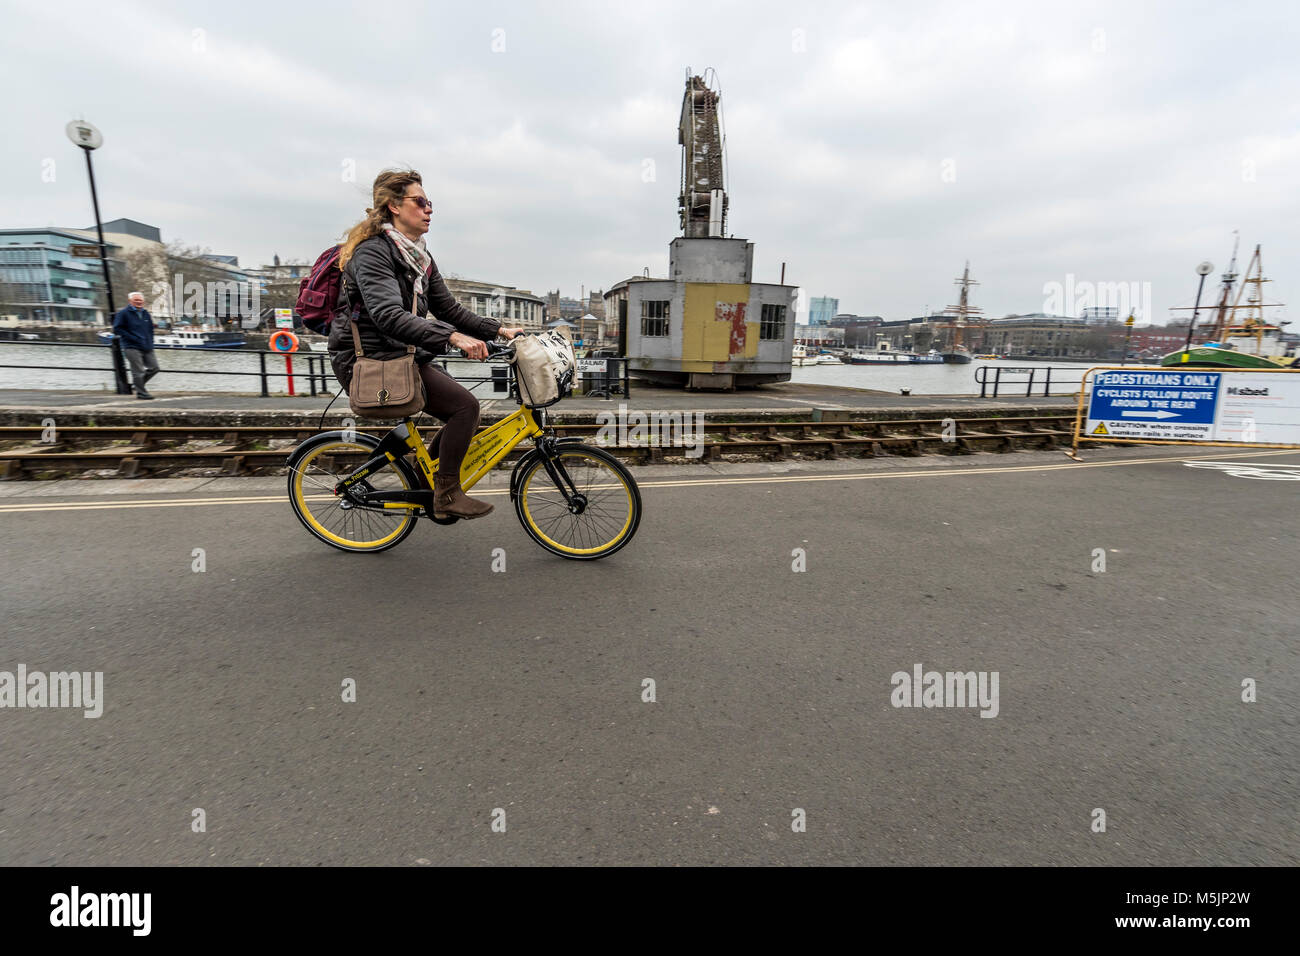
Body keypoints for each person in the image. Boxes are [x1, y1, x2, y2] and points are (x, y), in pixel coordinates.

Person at [329, 169, 524, 520]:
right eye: (420, 202)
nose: (428, 209)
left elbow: (448, 308)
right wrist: (451, 336)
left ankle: (429, 482)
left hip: (400, 353)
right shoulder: (373, 254)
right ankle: (446, 493)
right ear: (393, 206)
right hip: (371, 360)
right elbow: (388, 315)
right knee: (464, 408)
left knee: (460, 410)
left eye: (429, 202)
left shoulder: (419, 257)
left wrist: (499, 331)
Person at [112, 292, 159, 399]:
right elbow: (117, 328)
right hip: (131, 346)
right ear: (130, 301)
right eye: (136, 300)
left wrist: (150, 341)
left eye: (140, 300)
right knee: (139, 371)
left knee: (154, 368)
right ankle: (141, 393)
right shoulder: (123, 313)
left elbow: (150, 329)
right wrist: (132, 338)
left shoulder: (146, 313)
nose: (139, 302)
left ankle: (137, 384)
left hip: (147, 345)